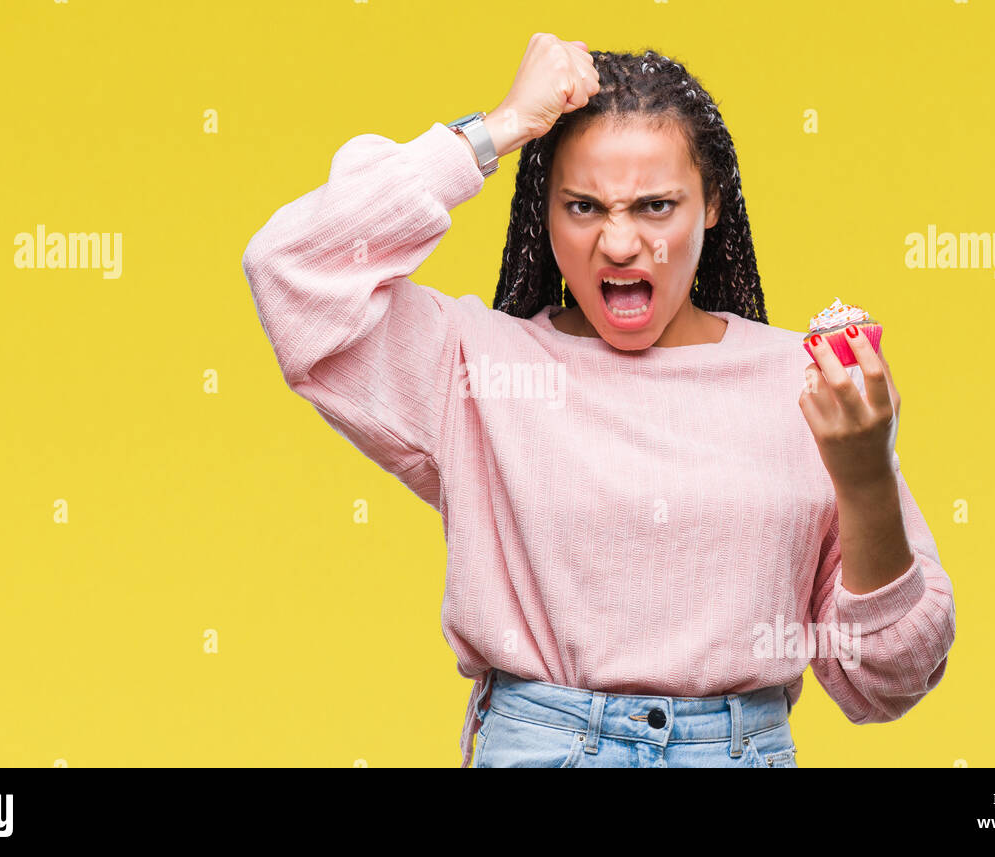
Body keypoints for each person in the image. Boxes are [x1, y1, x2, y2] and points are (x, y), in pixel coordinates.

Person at [242, 33, 956, 768]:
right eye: (583, 207)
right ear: (542, 211)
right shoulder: (475, 366)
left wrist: (866, 475)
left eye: (656, 206)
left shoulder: (803, 384)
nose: (619, 243)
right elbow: (289, 265)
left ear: (711, 204)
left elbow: (890, 679)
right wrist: (497, 129)